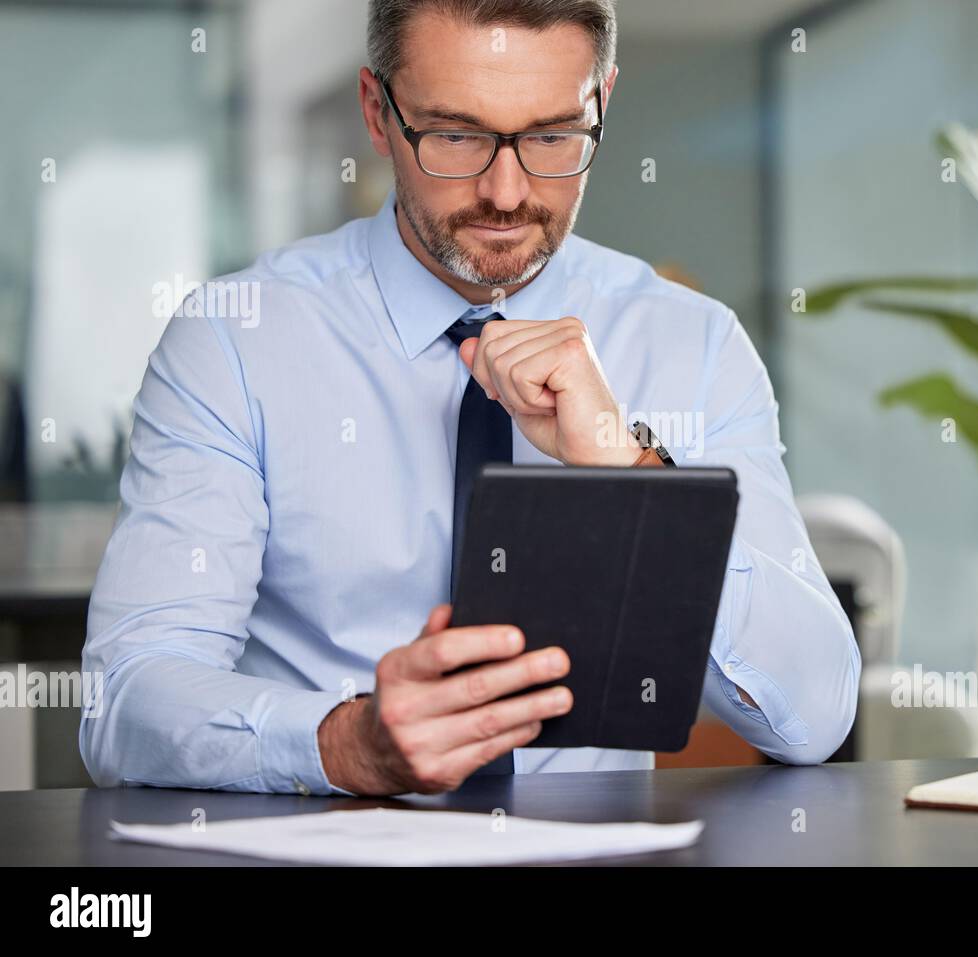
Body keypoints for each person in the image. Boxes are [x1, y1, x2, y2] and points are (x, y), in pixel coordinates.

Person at [80, 0, 860, 796]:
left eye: (553, 136)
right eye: (457, 135)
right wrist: (349, 744)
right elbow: (128, 697)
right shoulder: (235, 340)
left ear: (603, 104)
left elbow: (814, 713)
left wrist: (633, 475)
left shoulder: (692, 343)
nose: (507, 191)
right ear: (377, 114)